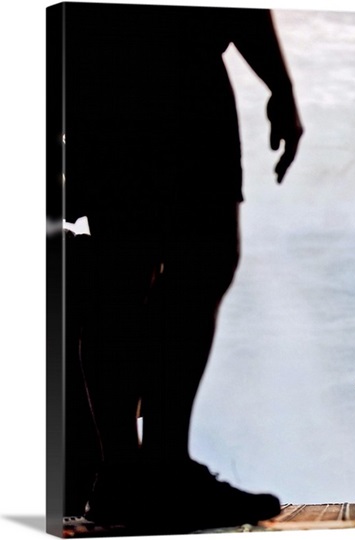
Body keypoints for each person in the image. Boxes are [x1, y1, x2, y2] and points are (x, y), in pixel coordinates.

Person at [61, 4, 303, 533]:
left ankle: (124, 476)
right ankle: (159, 466)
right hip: (177, 68)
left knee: (123, 267)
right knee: (199, 259)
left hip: (95, 64)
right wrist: (278, 85)